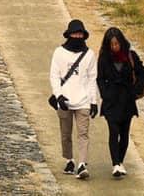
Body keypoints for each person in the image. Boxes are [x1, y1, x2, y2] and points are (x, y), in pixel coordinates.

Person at [49, 18, 100, 179]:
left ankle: (82, 164)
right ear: (69, 35)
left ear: (84, 36)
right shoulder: (59, 52)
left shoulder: (89, 55)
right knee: (66, 133)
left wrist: (93, 101)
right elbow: (54, 76)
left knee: (83, 134)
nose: (77, 37)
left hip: (83, 100)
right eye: (75, 34)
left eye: (80, 34)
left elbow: (92, 78)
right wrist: (58, 96)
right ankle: (69, 160)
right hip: (64, 100)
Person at [96, 26, 144, 179]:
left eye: (117, 44)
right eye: (112, 44)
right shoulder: (104, 58)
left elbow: (142, 73)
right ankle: (116, 164)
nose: (114, 47)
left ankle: (120, 161)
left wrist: (136, 90)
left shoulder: (131, 56)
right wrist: (105, 93)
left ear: (121, 42)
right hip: (111, 101)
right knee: (114, 132)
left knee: (124, 134)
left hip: (127, 100)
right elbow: (99, 78)